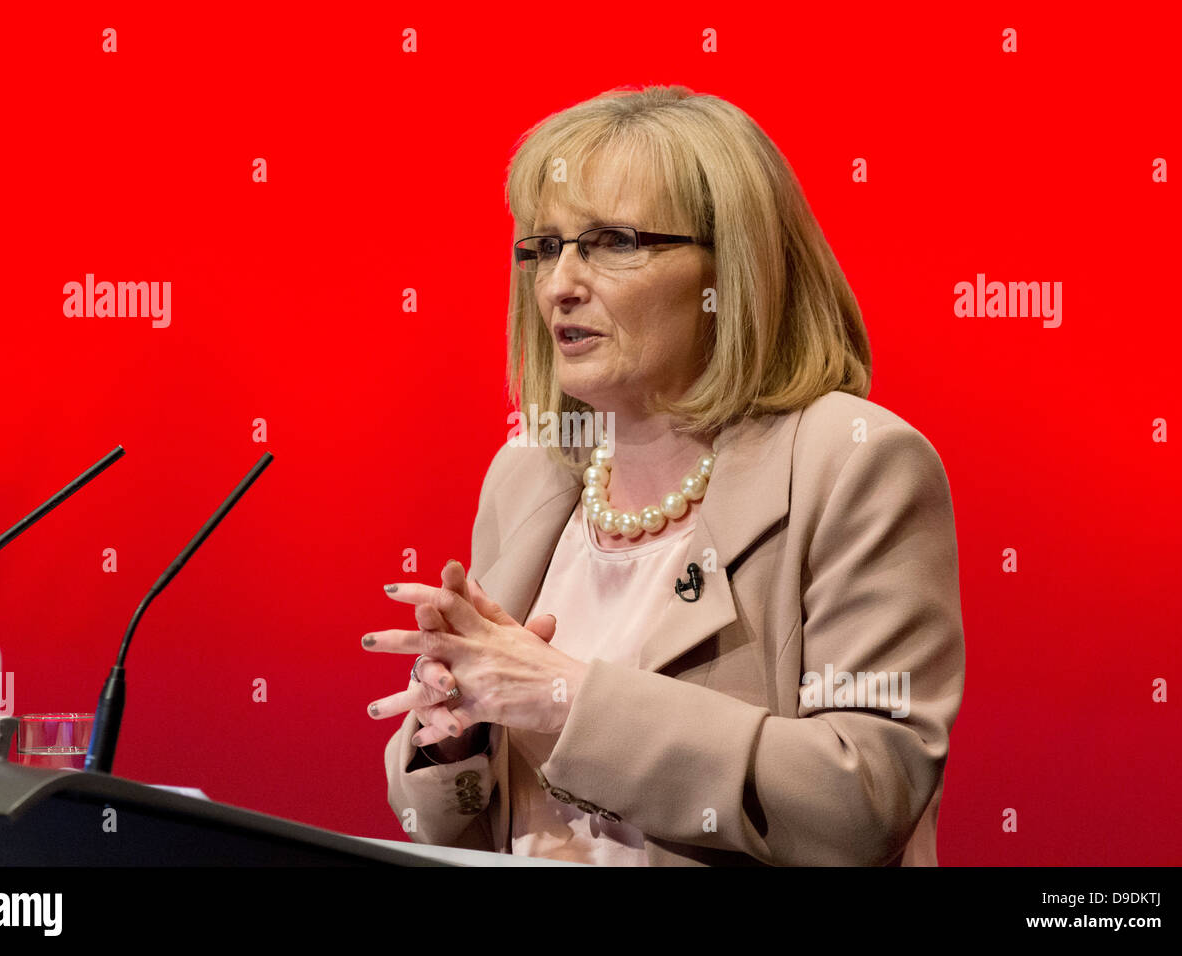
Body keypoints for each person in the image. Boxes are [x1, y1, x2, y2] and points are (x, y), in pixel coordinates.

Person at [362, 84, 965, 865]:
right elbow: (469, 826)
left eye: (611, 241)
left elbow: (863, 800)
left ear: (735, 267)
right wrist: (458, 741)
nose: (559, 284)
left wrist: (564, 699)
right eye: (544, 247)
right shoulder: (530, 471)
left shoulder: (854, 463)